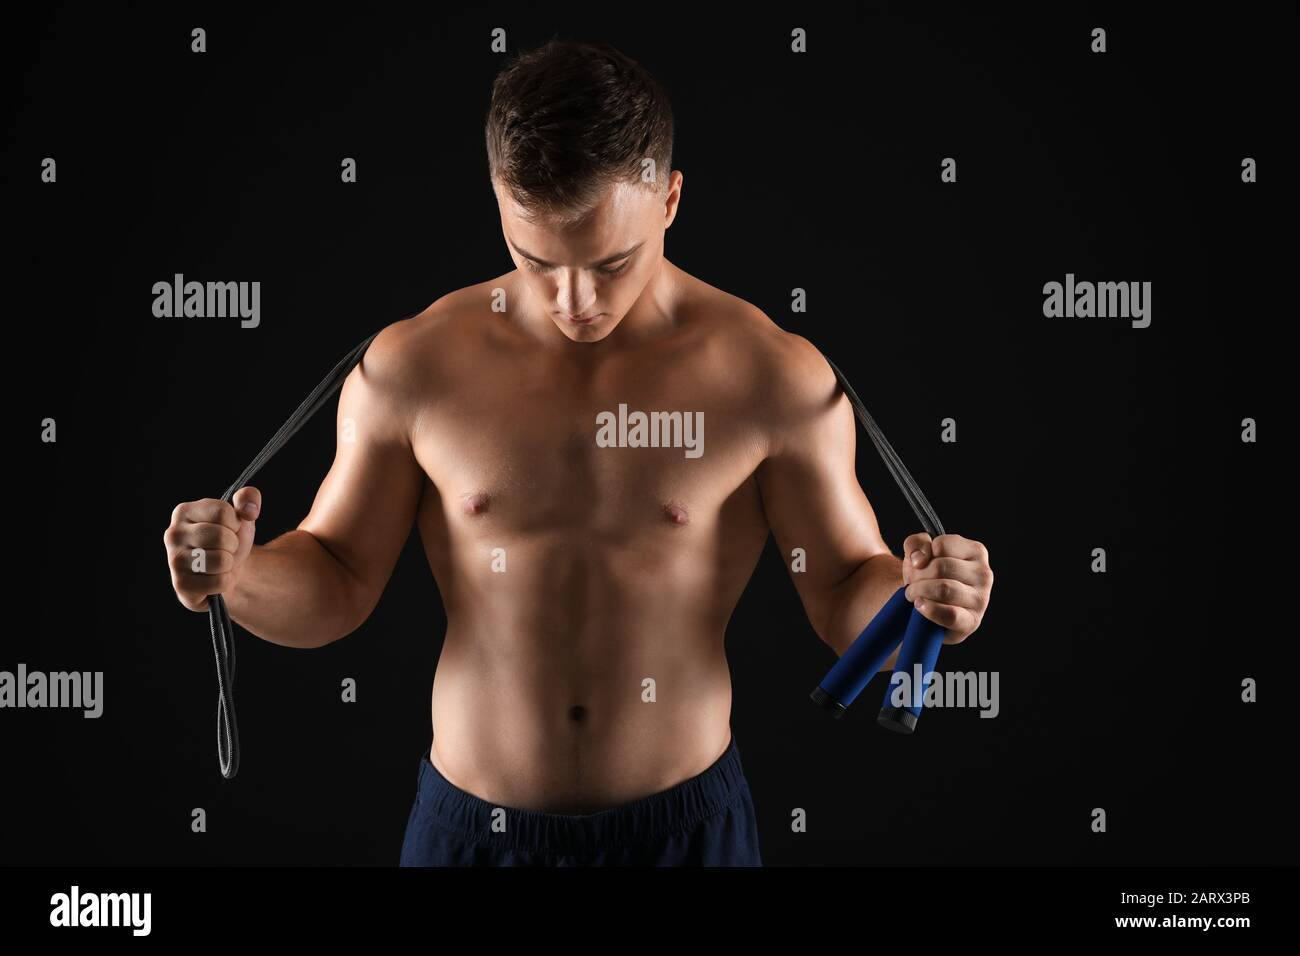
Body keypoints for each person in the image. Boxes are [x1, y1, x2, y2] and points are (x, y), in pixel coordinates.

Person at [162, 38, 994, 866]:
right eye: (535, 262)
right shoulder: (416, 365)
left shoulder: (769, 375)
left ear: (669, 199)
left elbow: (847, 588)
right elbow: (338, 575)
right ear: (497, 202)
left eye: (612, 263)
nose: (574, 302)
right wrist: (240, 579)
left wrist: (921, 601)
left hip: (685, 835)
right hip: (470, 833)